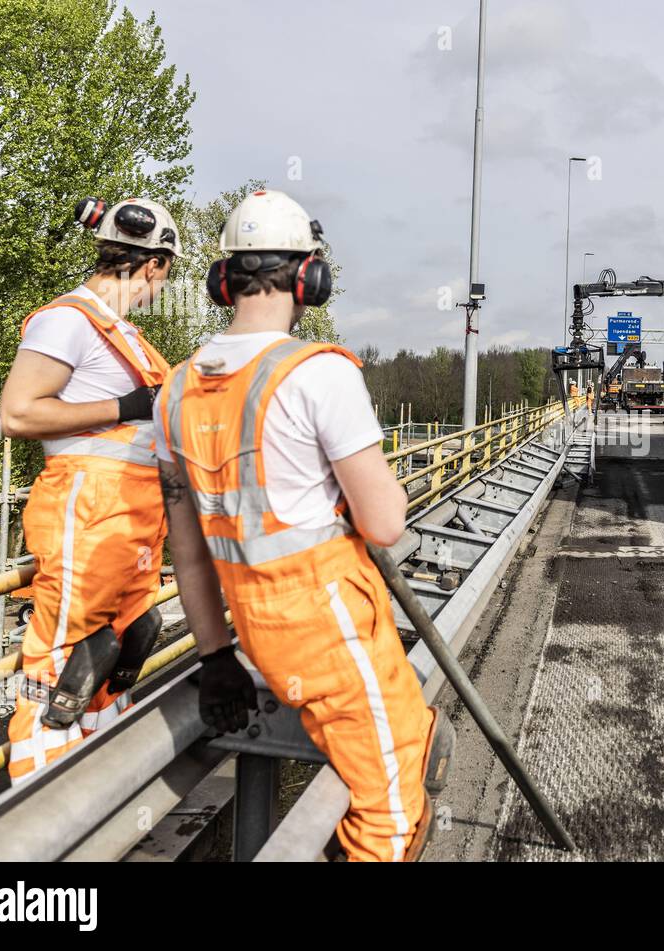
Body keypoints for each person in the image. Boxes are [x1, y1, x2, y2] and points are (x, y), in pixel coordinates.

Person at [155, 190, 450, 862]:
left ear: (223, 279)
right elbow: (384, 521)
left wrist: (216, 656)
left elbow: (189, 550)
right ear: (307, 279)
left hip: (256, 634)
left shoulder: (173, 393)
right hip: (331, 631)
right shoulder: (318, 374)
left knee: (399, 755)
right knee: (391, 815)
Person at [0, 197, 179, 782]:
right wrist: (124, 405)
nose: (161, 287)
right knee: (62, 661)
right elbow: (19, 414)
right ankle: (33, 815)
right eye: (165, 275)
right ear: (153, 266)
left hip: (135, 514)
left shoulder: (124, 334)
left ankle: (96, 789)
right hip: (88, 506)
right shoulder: (68, 321)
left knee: (125, 640)